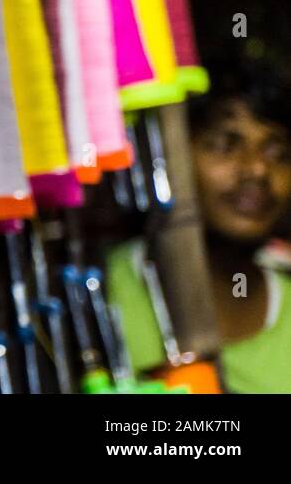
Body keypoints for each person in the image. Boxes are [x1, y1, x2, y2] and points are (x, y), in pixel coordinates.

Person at [106, 58, 291, 392]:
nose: (257, 170)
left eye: (278, 153)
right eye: (225, 144)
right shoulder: (103, 293)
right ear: (174, 153)